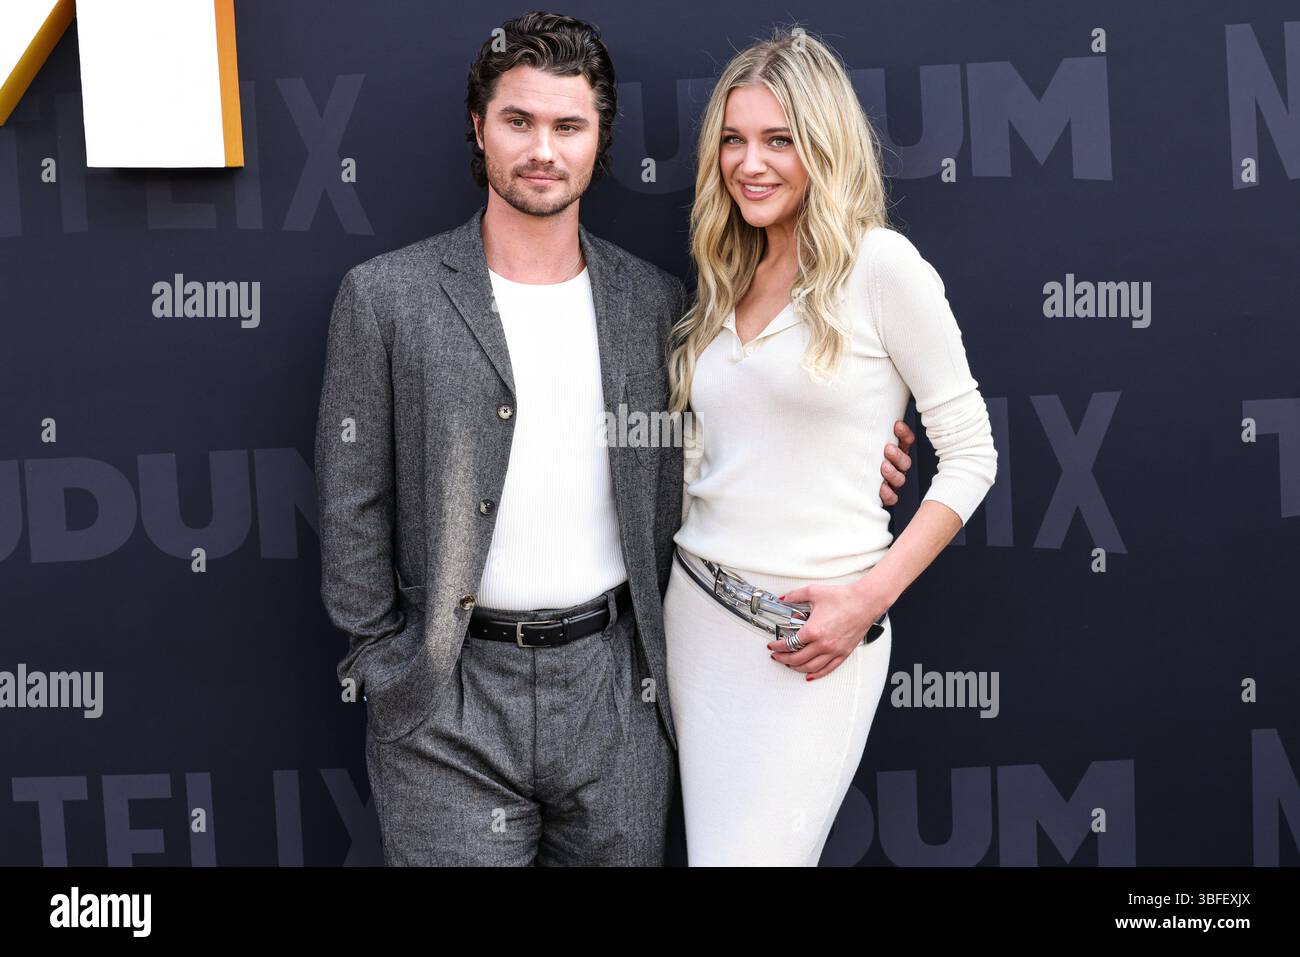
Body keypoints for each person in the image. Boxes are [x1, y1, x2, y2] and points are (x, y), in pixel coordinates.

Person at [315, 12, 916, 866]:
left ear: (600, 141)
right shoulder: (385, 298)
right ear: (477, 129)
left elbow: (729, 440)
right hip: (446, 702)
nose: (543, 150)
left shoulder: (657, 302)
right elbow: (351, 499)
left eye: (569, 126)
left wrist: (858, 457)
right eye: (518, 121)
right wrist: (387, 668)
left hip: (619, 694)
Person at [663, 27, 998, 866]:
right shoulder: (724, 274)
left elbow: (972, 454)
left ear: (825, 146)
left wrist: (869, 598)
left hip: (813, 641)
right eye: (734, 141)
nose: (751, 163)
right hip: (696, 620)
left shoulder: (882, 269)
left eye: (780, 140)